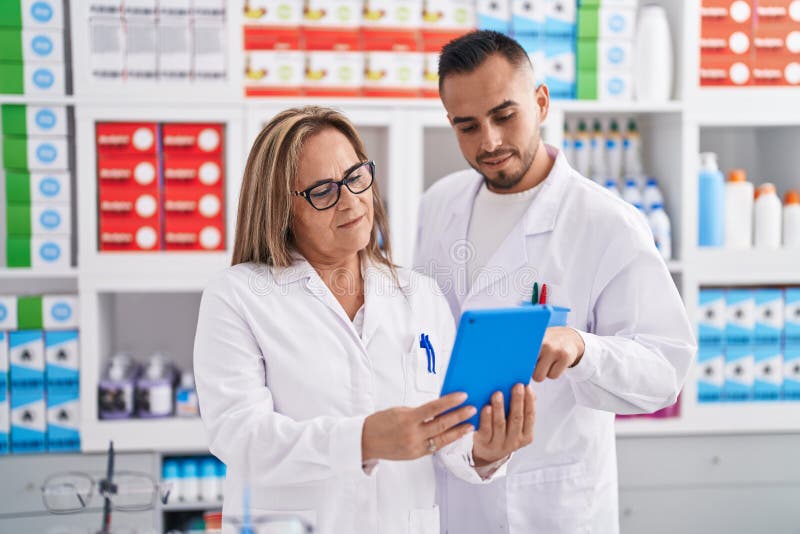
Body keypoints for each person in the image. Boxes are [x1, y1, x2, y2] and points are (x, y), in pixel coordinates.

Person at [193, 106, 537, 534]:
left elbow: (447, 435)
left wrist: (485, 450)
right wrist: (363, 439)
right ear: (281, 210)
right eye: (323, 191)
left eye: (356, 177)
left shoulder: (422, 295)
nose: (351, 201)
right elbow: (241, 436)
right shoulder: (238, 295)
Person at [413, 31, 696, 533]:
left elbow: (664, 369)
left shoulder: (606, 222)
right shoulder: (439, 204)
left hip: (549, 505)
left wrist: (583, 347)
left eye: (505, 115)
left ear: (540, 101)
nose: (490, 142)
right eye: (468, 126)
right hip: (453, 491)